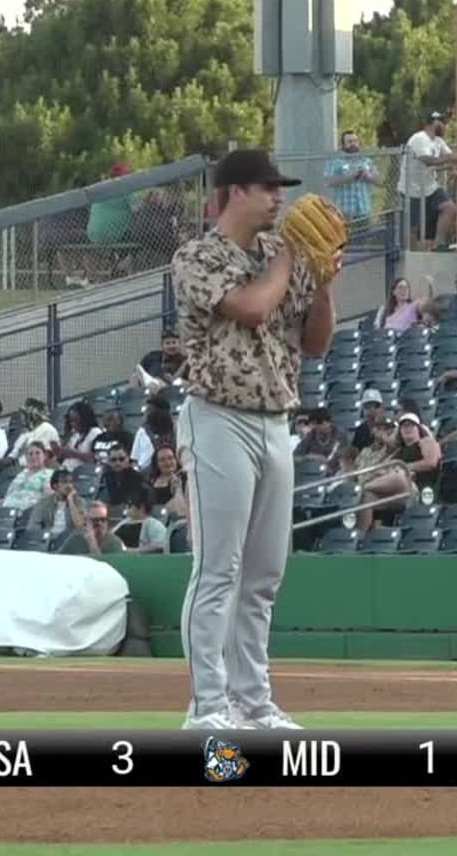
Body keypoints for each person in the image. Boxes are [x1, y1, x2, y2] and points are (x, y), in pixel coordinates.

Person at [170, 148, 336, 730]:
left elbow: (315, 343)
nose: (279, 197)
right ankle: (207, 706)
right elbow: (249, 306)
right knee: (219, 568)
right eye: (268, 188)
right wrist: (293, 258)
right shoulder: (197, 255)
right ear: (234, 193)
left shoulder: (273, 253)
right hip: (216, 416)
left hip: (274, 420)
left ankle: (252, 700)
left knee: (264, 574)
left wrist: (323, 283)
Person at [400, 112, 457, 250]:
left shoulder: (439, 141)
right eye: (439, 122)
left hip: (430, 187)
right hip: (412, 190)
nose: (443, 125)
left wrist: (454, 168)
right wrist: (451, 159)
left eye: (443, 122)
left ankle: (438, 245)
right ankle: (413, 257)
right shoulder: (419, 138)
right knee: (413, 227)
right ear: (431, 123)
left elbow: (450, 156)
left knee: (450, 208)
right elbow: (427, 160)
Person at [323, 130, 378, 227]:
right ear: (343, 144)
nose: (353, 144)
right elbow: (329, 181)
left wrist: (367, 175)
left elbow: (378, 179)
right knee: (346, 240)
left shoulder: (365, 159)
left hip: (364, 211)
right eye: (349, 142)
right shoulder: (335, 160)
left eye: (355, 141)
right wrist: (350, 176)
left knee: (364, 239)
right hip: (344, 212)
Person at [58, 500, 127, 555]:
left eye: (103, 520)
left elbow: (104, 569)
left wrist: (92, 543)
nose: (100, 524)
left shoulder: (113, 542)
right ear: (86, 522)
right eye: (95, 521)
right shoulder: (76, 538)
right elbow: (59, 560)